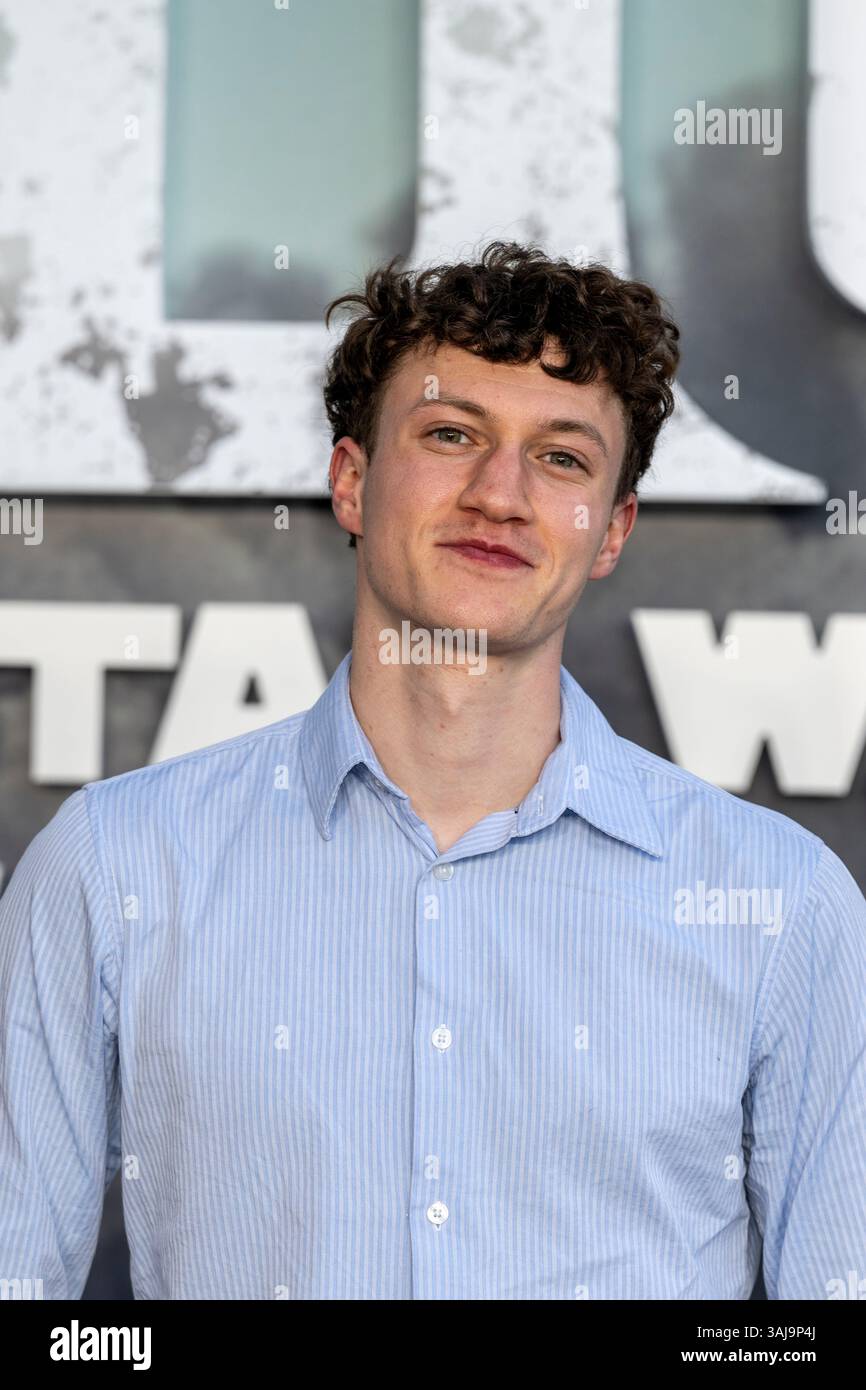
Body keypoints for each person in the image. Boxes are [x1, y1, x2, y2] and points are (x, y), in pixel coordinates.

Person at [1, 241, 864, 1300]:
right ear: (352, 481)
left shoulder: (782, 907)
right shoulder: (112, 867)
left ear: (611, 531)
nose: (499, 495)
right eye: (451, 435)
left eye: (560, 458)